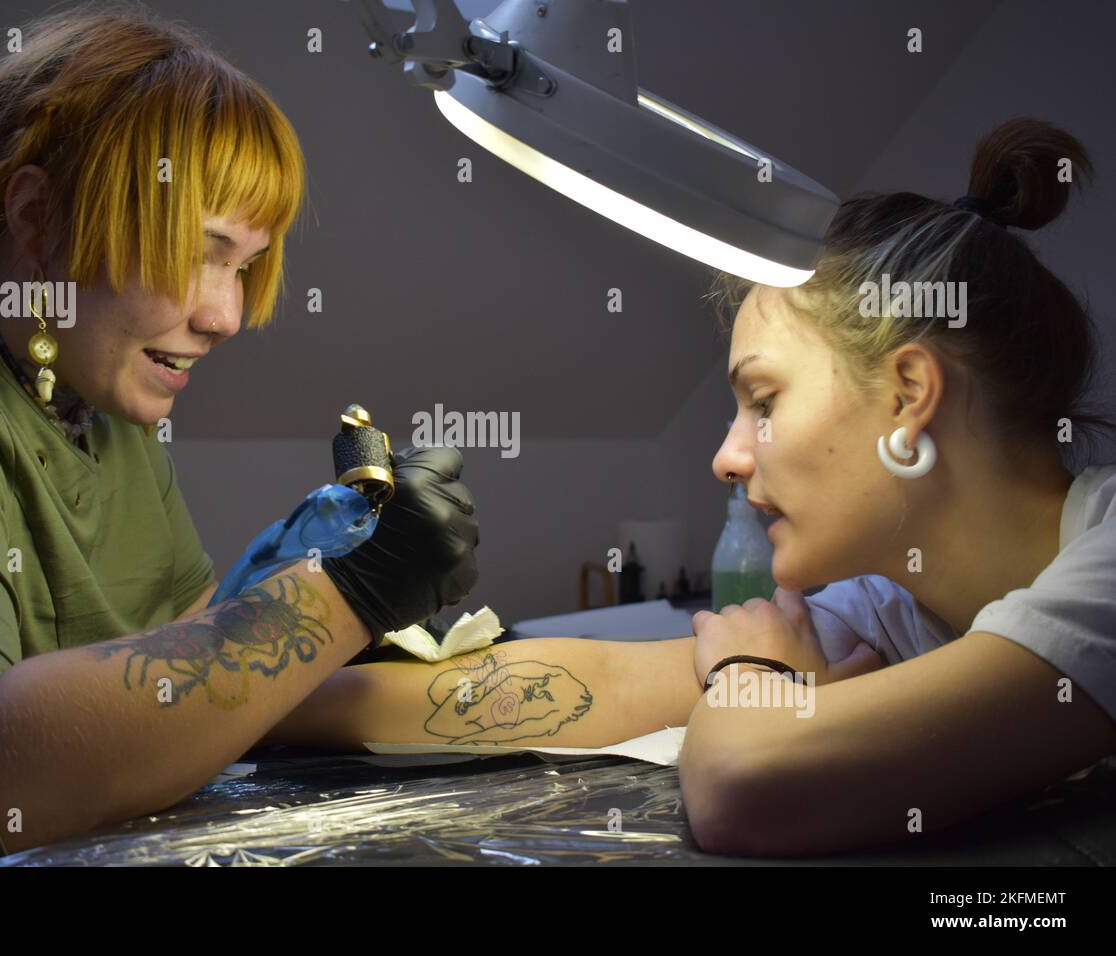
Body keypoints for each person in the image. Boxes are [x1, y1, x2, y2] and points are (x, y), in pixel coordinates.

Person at [257, 117, 1116, 858]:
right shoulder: (890, 607)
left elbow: (742, 782)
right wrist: (260, 700)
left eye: (764, 401)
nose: (729, 458)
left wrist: (749, 672)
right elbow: (605, 684)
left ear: (908, 395)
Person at [0, 5, 478, 865]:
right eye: (198, 252)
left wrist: (323, 589)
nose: (227, 316)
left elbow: (181, 667)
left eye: (242, 266)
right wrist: (340, 599)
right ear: (40, 220)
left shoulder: (93, 389)